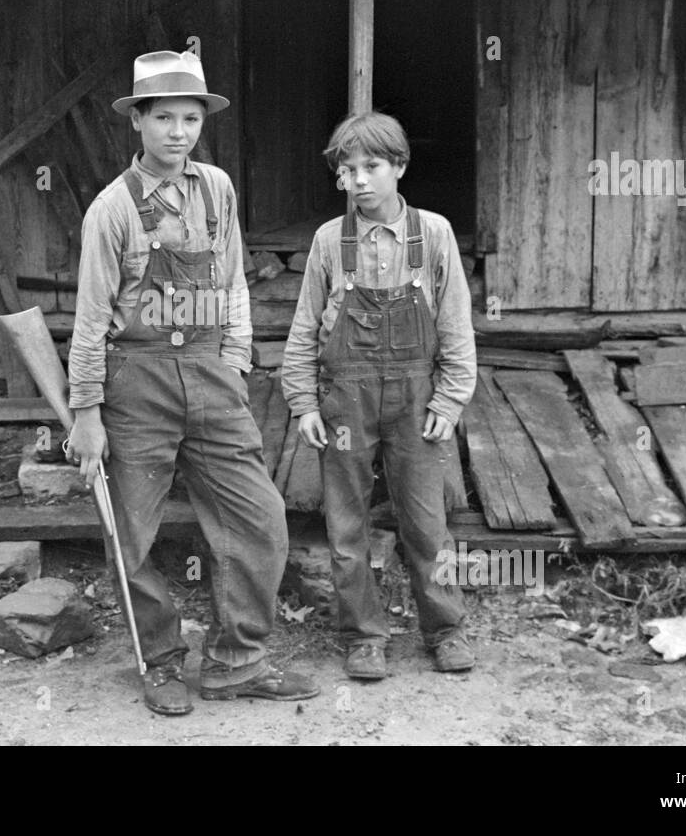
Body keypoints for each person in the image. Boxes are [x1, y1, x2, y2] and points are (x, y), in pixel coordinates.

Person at [66, 50, 318, 715]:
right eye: (164, 118)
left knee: (260, 518)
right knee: (132, 532)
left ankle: (238, 660)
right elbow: (91, 319)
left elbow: (232, 278)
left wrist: (236, 352)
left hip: (210, 371)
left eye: (190, 118)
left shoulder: (217, 188)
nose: (178, 132)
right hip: (136, 381)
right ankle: (161, 660)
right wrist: (86, 409)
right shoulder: (111, 210)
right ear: (138, 122)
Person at [280, 111, 477, 680]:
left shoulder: (432, 234)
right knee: (346, 527)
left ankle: (445, 629)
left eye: (372, 166)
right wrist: (304, 403)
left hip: (416, 400)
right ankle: (363, 635)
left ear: (400, 167)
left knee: (425, 524)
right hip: (346, 401)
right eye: (347, 170)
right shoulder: (328, 241)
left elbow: (457, 326)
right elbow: (304, 328)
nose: (359, 180)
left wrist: (449, 400)